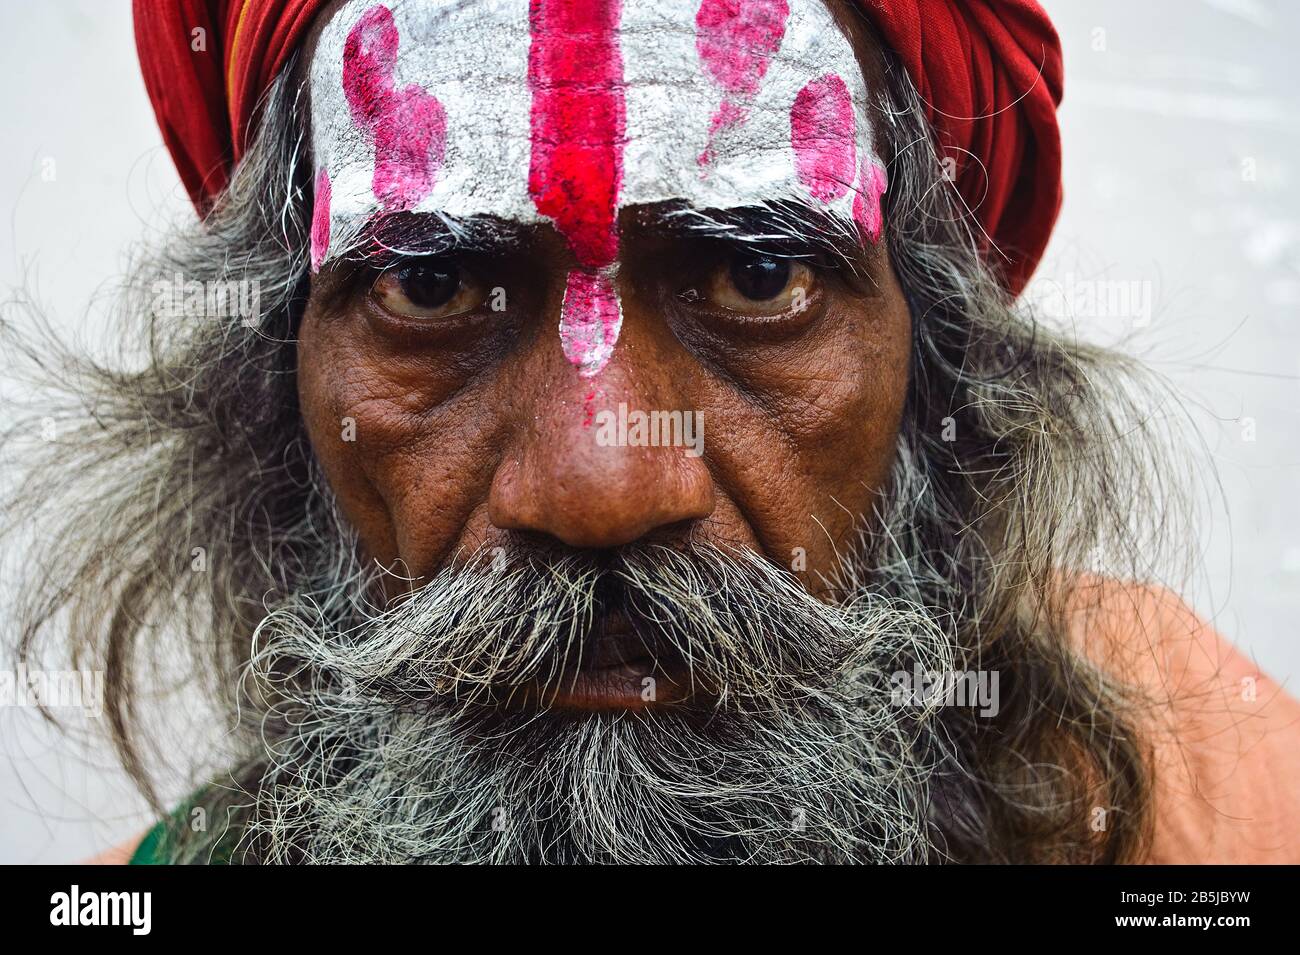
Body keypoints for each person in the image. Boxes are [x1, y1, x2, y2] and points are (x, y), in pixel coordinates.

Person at [10, 0, 1298, 864]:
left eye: (754, 277)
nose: (599, 489)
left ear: (937, 361)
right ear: (276, 381)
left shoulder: (1187, 784)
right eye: (434, 287)